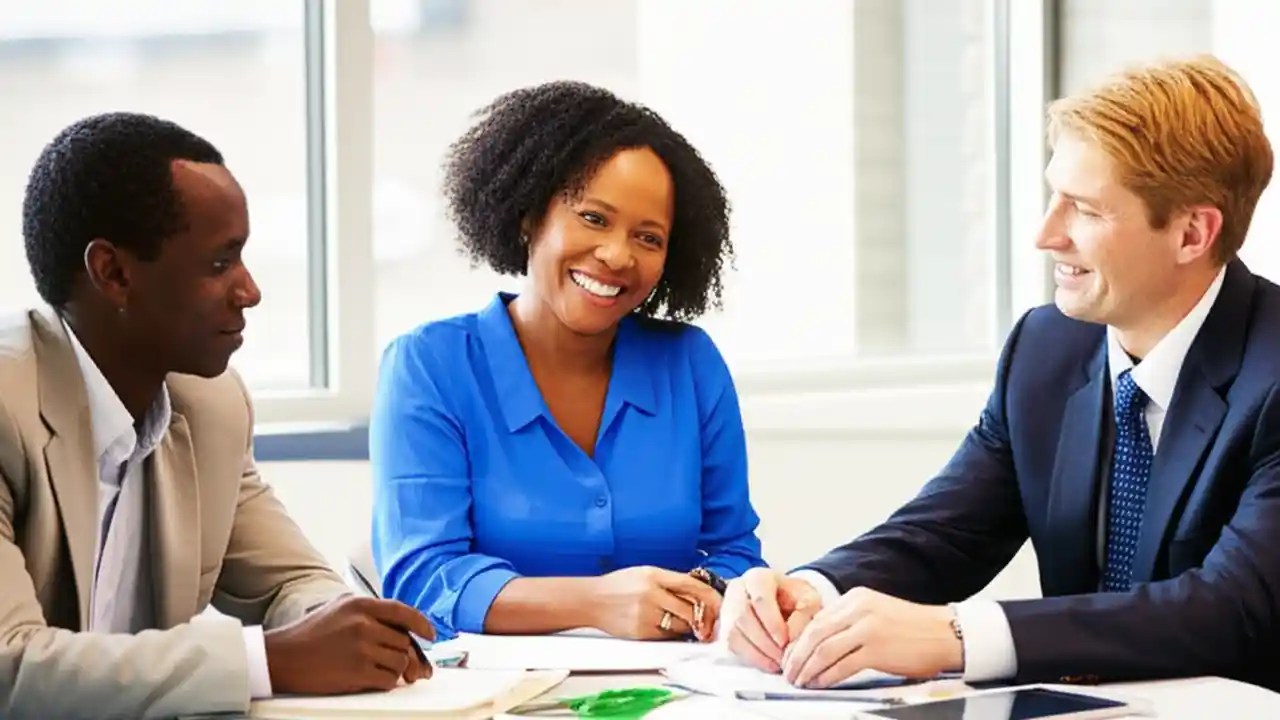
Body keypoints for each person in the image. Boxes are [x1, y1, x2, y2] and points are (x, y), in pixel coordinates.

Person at [724, 54, 1280, 691]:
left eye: (1086, 209)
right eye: (1053, 197)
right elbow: (947, 530)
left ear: (1192, 233)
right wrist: (811, 592)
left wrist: (955, 635)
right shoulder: (1047, 348)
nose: (1047, 234)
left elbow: (1230, 610)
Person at [0, 113, 435, 719]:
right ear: (115, 274)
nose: (250, 289)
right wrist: (271, 660)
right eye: (218, 264)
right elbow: (11, 668)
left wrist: (347, 632)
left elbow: (292, 583)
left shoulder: (211, 406)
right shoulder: (6, 405)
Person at [370, 80, 766, 643]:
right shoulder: (429, 366)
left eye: (648, 237)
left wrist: (703, 594)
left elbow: (733, 552)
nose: (617, 255)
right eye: (594, 218)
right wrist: (596, 603)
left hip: (678, 684)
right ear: (531, 213)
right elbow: (422, 577)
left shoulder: (690, 363)